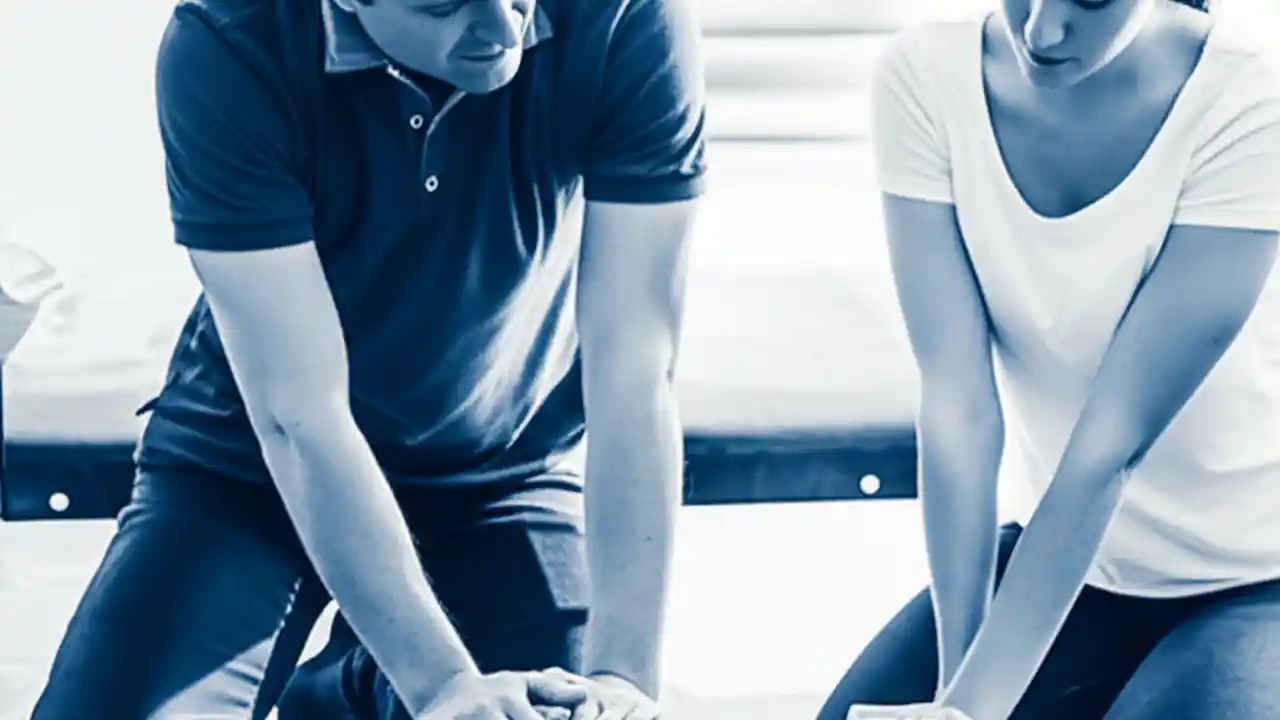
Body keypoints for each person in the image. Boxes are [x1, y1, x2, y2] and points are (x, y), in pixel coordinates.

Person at [32, 0, 706, 717]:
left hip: (502, 475)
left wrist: (624, 679)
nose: (502, 31)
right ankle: (370, 683)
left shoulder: (628, 16)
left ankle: (347, 691)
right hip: (245, 476)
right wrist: (443, 686)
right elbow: (300, 416)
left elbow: (635, 366)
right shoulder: (229, 42)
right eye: (445, 5)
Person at [823, 0, 1280, 718]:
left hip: (1256, 577)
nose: (1041, 31)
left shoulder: (1250, 102)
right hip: (1075, 563)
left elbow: (1110, 447)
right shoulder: (926, 77)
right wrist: (956, 687)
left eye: (1090, 1)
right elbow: (958, 406)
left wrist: (975, 709)